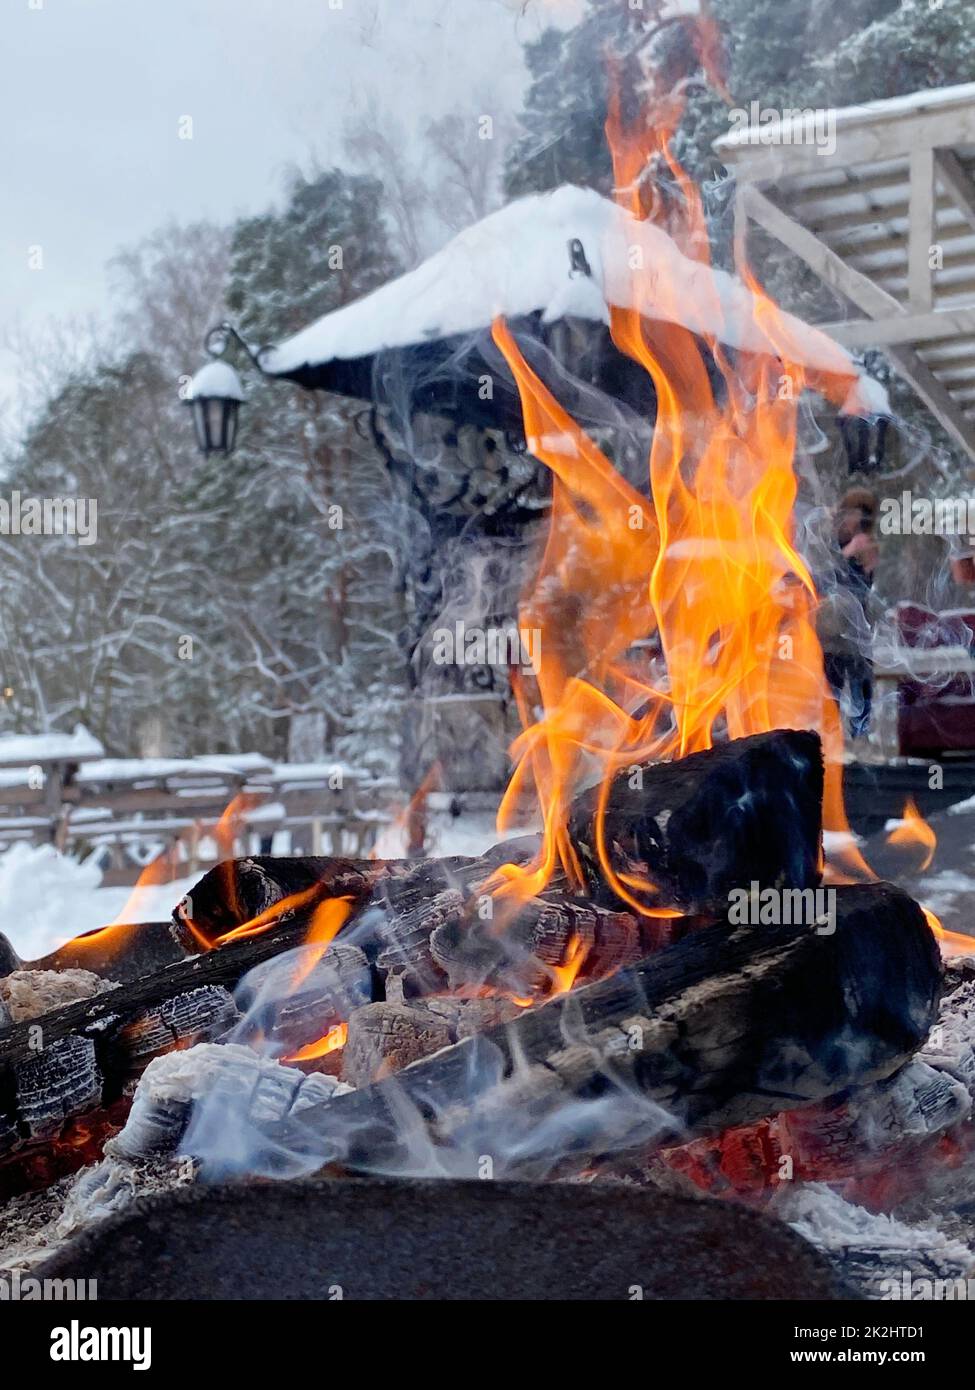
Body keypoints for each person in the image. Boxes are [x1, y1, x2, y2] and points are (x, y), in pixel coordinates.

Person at [819, 487, 879, 741]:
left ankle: (859, 737)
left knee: (860, 689)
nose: (855, 519)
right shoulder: (830, 540)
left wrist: (854, 551)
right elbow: (824, 576)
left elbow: (863, 583)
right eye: (852, 513)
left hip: (854, 634)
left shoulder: (864, 544)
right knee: (829, 691)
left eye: (861, 514)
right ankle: (829, 739)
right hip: (829, 631)